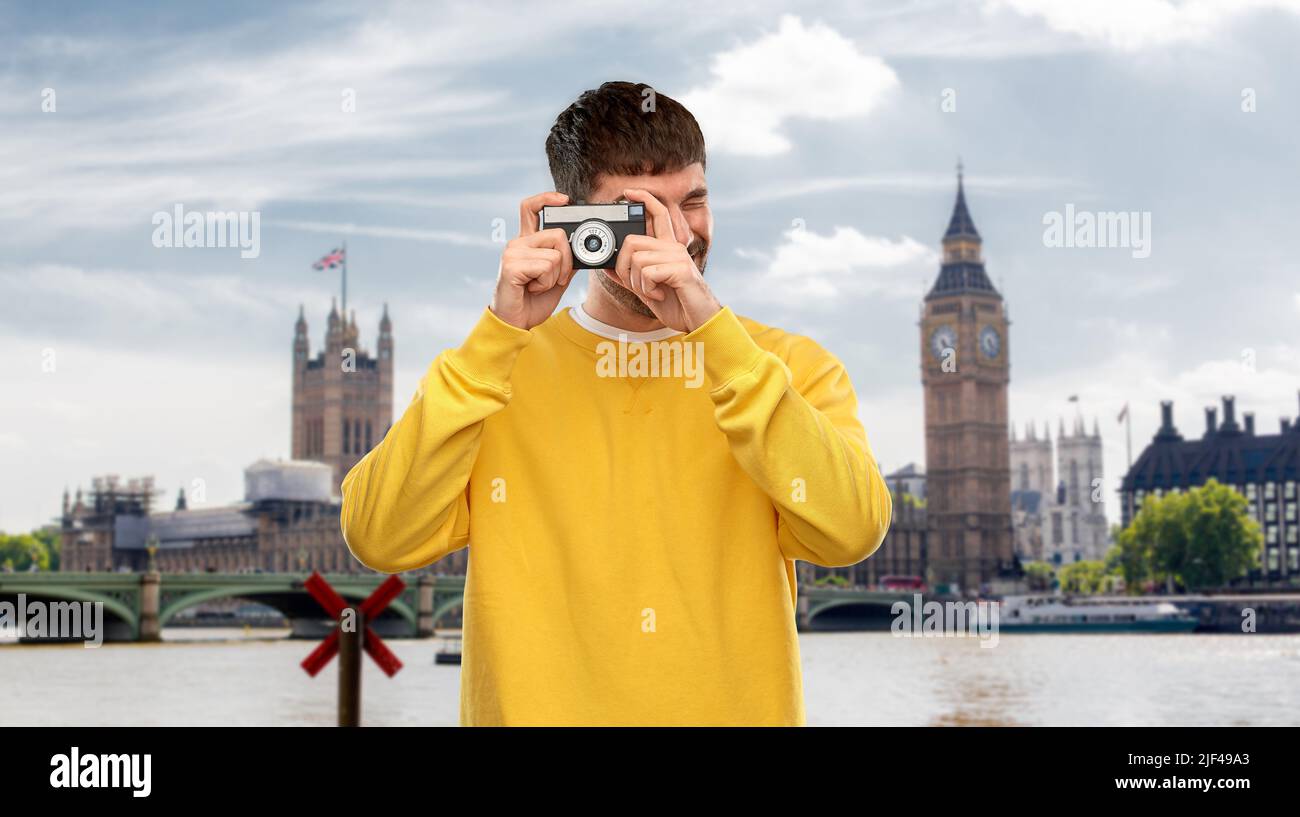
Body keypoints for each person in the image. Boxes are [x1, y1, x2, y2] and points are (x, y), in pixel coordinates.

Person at [340, 80, 893, 726]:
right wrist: (498, 334)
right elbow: (377, 534)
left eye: (694, 202)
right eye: (643, 212)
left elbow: (855, 527)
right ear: (575, 225)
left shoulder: (789, 367)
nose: (678, 235)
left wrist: (716, 334)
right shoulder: (493, 372)